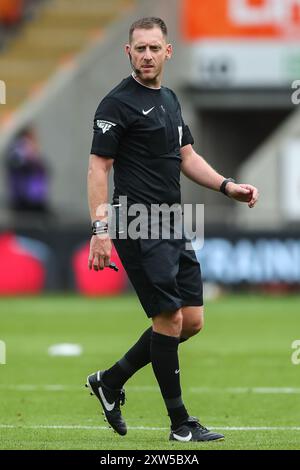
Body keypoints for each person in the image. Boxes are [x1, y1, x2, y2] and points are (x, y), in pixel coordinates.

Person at [86, 17, 259, 442]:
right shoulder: (116, 104)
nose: (146, 55)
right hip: (136, 222)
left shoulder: (169, 99)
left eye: (154, 48)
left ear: (169, 51)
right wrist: (100, 228)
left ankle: (109, 381)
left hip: (170, 221)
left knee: (192, 321)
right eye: (139, 48)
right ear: (128, 52)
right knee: (169, 317)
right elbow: (98, 166)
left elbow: (186, 156)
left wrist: (226, 185)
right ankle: (181, 425)